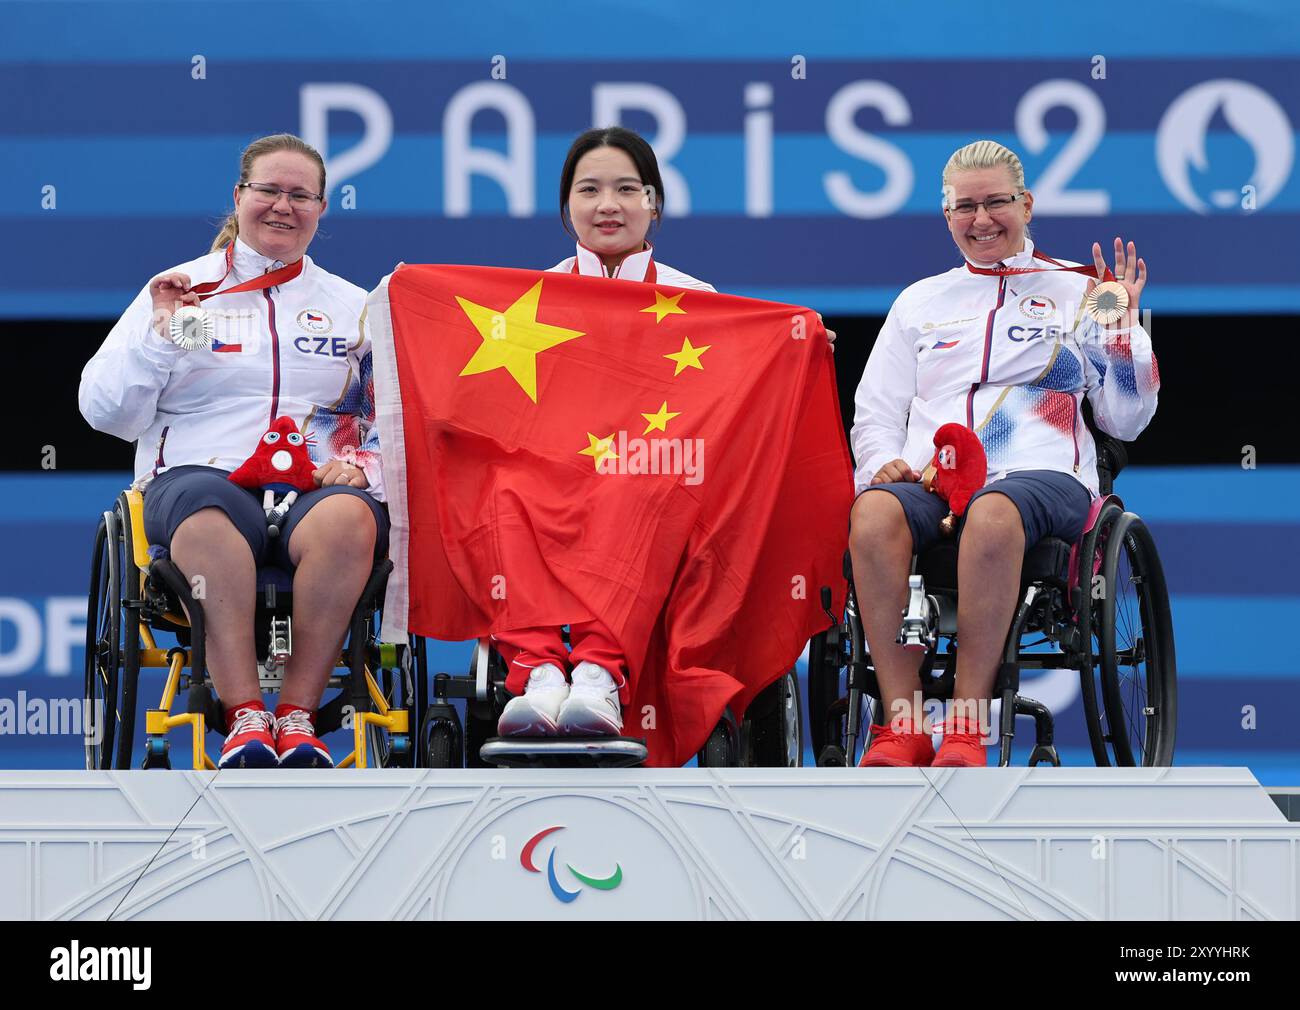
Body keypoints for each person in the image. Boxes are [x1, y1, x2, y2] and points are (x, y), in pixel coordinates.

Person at [493, 126, 836, 741]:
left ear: (654, 203)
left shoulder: (698, 300)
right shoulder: (525, 306)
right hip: (554, 488)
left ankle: (599, 670)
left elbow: (742, 398)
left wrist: (796, 349)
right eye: (589, 189)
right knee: (506, 493)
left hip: (660, 483)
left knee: (636, 478)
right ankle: (539, 667)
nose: (608, 205)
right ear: (565, 206)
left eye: (627, 188)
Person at [79, 134, 388, 769]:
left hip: (311, 491)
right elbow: (107, 412)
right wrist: (162, 340)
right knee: (209, 515)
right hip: (198, 480)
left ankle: (297, 719)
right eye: (268, 190)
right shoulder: (180, 291)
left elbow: (390, 419)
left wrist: (360, 467)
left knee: (349, 519)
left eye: (300, 195)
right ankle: (246, 718)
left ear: (322, 208)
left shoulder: (354, 310)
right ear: (239, 197)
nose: (283, 205)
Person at [849, 139, 1159, 767]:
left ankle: (965, 727)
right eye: (965, 206)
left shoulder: (1080, 290)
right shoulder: (919, 302)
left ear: (1027, 204)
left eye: (996, 202)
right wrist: (881, 465)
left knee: (994, 512)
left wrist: (1121, 333)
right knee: (873, 515)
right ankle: (901, 724)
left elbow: (1127, 417)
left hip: (1045, 480)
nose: (981, 218)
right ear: (946, 216)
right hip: (934, 482)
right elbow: (876, 412)